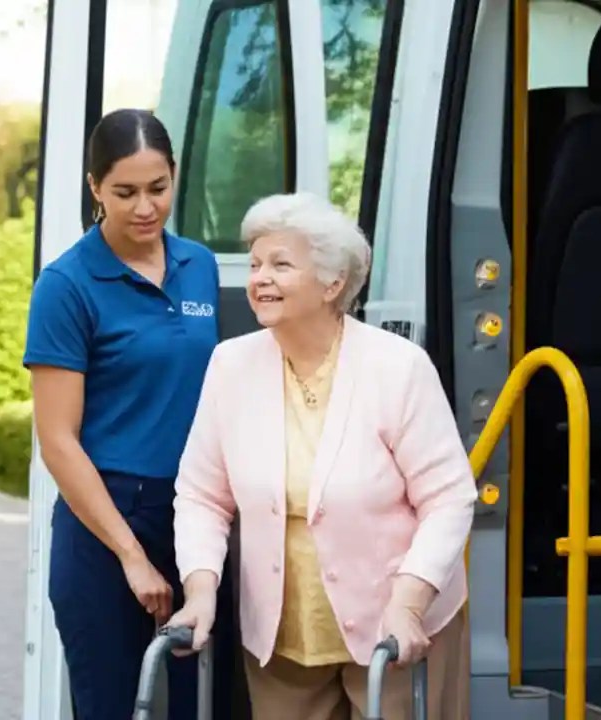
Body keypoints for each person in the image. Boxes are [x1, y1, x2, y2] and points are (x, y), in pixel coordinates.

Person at [166, 192, 477, 719]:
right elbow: (201, 496)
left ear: (333, 284)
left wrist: (410, 603)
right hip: (284, 639)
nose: (260, 277)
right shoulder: (231, 366)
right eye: (257, 263)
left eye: (281, 264)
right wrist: (201, 590)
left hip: (396, 631)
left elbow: (448, 499)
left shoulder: (397, 368)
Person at [23, 108, 221, 720]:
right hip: (106, 520)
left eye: (157, 189)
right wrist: (132, 555)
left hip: (194, 517)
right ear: (94, 189)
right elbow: (57, 441)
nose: (144, 208)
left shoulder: (200, 266)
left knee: (198, 706)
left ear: (175, 176)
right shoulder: (67, 285)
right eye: (125, 192)